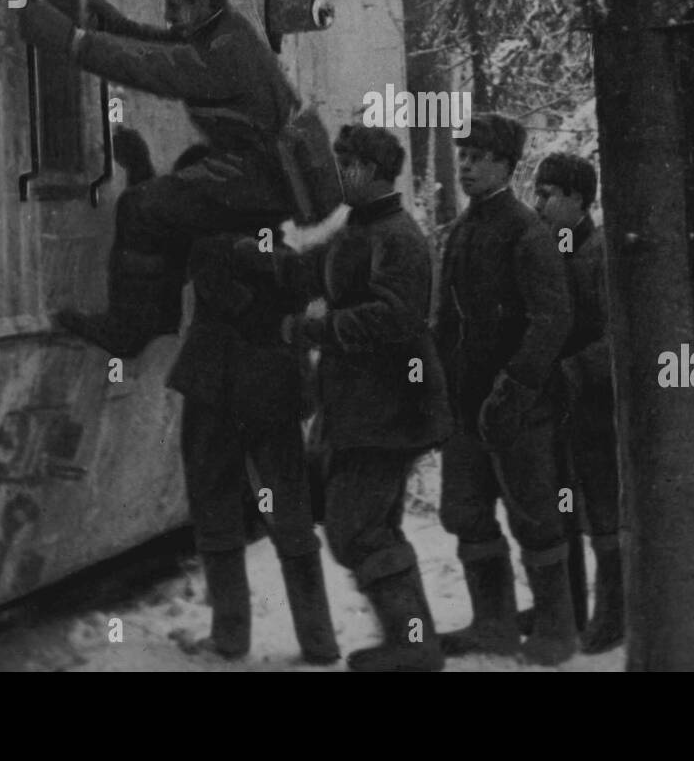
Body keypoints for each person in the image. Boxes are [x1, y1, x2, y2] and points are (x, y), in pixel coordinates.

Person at [17, 0, 299, 357]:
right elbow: (173, 46)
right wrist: (121, 27)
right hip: (262, 171)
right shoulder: (224, 28)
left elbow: (154, 67)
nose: (167, 15)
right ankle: (159, 314)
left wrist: (72, 41)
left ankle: (127, 330)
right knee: (184, 179)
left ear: (202, 2)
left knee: (140, 208)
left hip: (260, 181)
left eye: (174, 5)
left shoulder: (223, 54)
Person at [248, 125, 452, 672]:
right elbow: (308, 273)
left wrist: (313, 331)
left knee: (355, 529)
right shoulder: (358, 229)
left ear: (369, 170)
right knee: (368, 528)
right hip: (361, 407)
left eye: (345, 163)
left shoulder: (398, 236)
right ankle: (415, 644)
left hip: (392, 406)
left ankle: (414, 646)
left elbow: (396, 318)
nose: (337, 173)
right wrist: (260, 245)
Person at [436, 114, 575, 665]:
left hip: (518, 409)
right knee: (462, 511)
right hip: (466, 407)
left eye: (478, 156)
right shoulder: (463, 230)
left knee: (535, 517)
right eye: (463, 155)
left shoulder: (527, 232)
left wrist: (513, 390)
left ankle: (557, 630)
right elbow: (448, 320)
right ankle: (492, 625)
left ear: (504, 165)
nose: (466, 165)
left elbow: (552, 320)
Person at [164, 233, 338, 666]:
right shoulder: (288, 258)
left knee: (215, 509)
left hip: (216, 391)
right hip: (274, 393)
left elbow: (229, 300)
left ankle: (230, 635)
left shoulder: (210, 247)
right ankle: (319, 640)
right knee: (291, 514)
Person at [534, 152, 622, 654]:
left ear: (576, 199)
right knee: (558, 505)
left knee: (601, 510)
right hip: (555, 406)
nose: (539, 203)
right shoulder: (548, 248)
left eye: (548, 194)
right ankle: (567, 608)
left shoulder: (601, 254)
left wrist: (572, 369)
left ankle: (614, 609)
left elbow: (620, 339)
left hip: (596, 408)